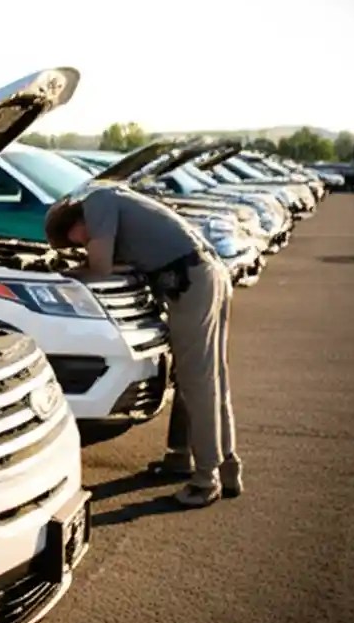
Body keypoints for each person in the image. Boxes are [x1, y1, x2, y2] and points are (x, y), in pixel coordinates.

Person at [45, 186, 242, 507]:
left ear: (74, 220)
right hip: (205, 274)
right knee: (210, 377)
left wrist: (64, 273)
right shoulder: (119, 206)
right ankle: (211, 463)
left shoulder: (99, 202)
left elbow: (100, 267)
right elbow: (122, 264)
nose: (80, 243)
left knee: (198, 382)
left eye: (76, 238)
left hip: (191, 282)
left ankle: (207, 480)